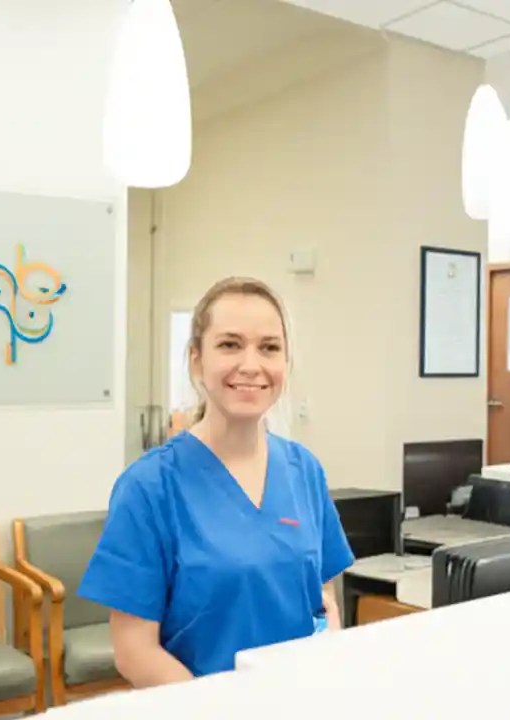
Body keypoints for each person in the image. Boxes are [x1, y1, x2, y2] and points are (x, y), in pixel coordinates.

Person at [77, 276, 355, 687]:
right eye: (229, 344)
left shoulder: (304, 471)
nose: (251, 365)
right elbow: (134, 651)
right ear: (196, 360)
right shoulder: (149, 487)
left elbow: (323, 599)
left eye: (269, 347)